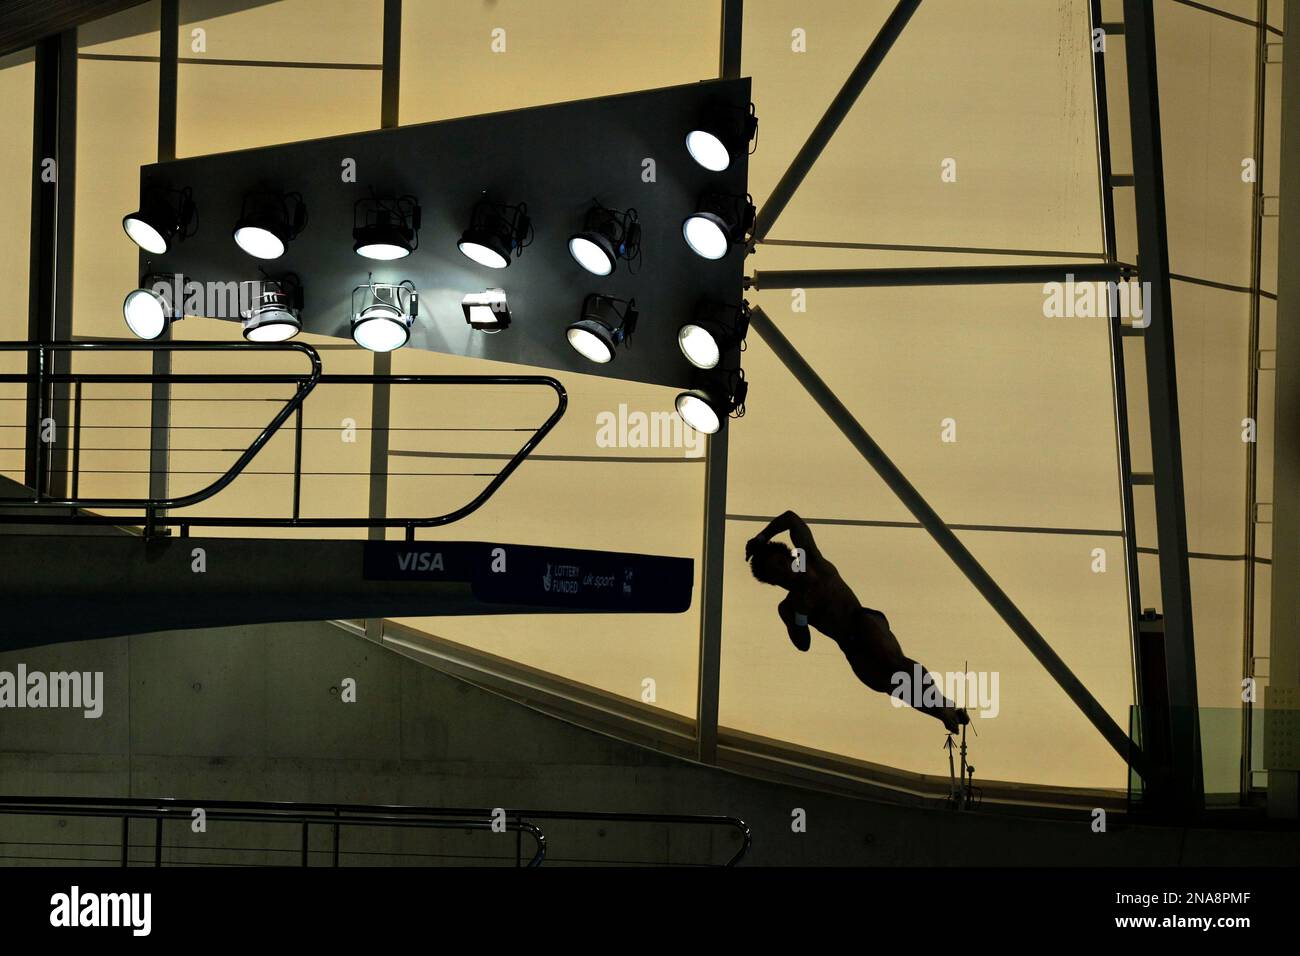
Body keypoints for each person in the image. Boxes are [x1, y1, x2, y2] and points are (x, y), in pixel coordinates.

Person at [745, 510, 969, 734]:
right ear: (772, 582)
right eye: (776, 573)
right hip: (850, 647)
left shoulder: (811, 562)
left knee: (893, 662)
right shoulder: (788, 607)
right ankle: (943, 711)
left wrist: (761, 537)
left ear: (790, 558)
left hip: (862, 621)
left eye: (782, 564)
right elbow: (803, 644)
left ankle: (942, 706)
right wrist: (801, 617)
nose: (784, 573)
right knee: (890, 684)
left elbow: (792, 519)